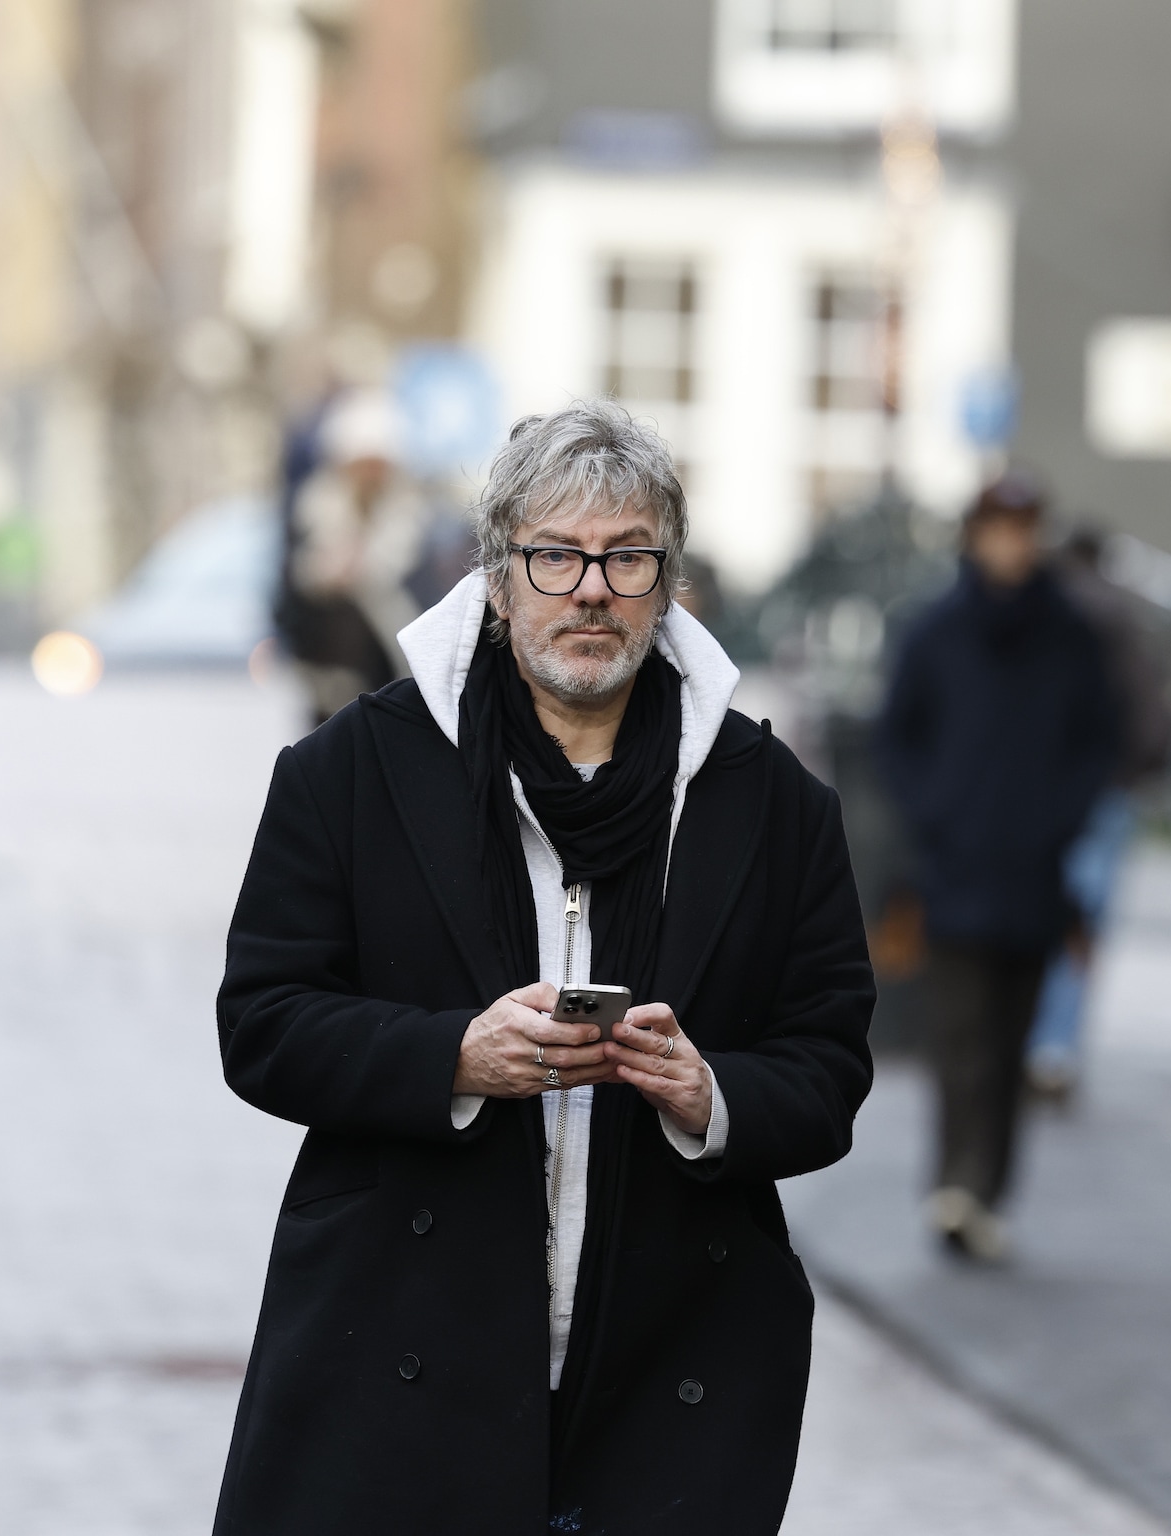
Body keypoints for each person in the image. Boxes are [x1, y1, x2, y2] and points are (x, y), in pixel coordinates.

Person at [213, 401, 875, 1535]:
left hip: (674, 1364)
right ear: (497, 575)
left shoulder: (775, 806)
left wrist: (710, 1097)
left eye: (626, 556)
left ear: (666, 582)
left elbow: (827, 1062)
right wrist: (453, 1056)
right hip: (399, 1352)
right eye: (556, 555)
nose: (590, 588)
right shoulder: (351, 774)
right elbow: (264, 1021)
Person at [875, 475, 1116, 1261]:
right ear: (976, 536)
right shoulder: (936, 632)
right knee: (960, 1038)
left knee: (1010, 1043)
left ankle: (988, 1192)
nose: (1011, 545)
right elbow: (897, 736)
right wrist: (935, 811)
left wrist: (1062, 819)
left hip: (1036, 871)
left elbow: (1097, 742)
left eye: (1024, 529)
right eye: (998, 529)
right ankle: (956, 1185)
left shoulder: (1071, 636)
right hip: (954, 865)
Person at [1025, 528, 1171, 1101]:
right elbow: (1149, 713)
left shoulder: (1037, 612)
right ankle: (1055, 1051)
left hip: (1035, 797)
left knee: (1027, 919)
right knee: (1081, 925)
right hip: (1106, 793)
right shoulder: (1118, 612)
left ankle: (1027, 1041)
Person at [283, 389, 429, 725]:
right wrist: (324, 579)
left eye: (377, 467)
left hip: (395, 688)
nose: (368, 478)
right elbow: (290, 602)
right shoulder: (312, 516)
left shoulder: (415, 526)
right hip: (329, 689)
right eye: (360, 467)